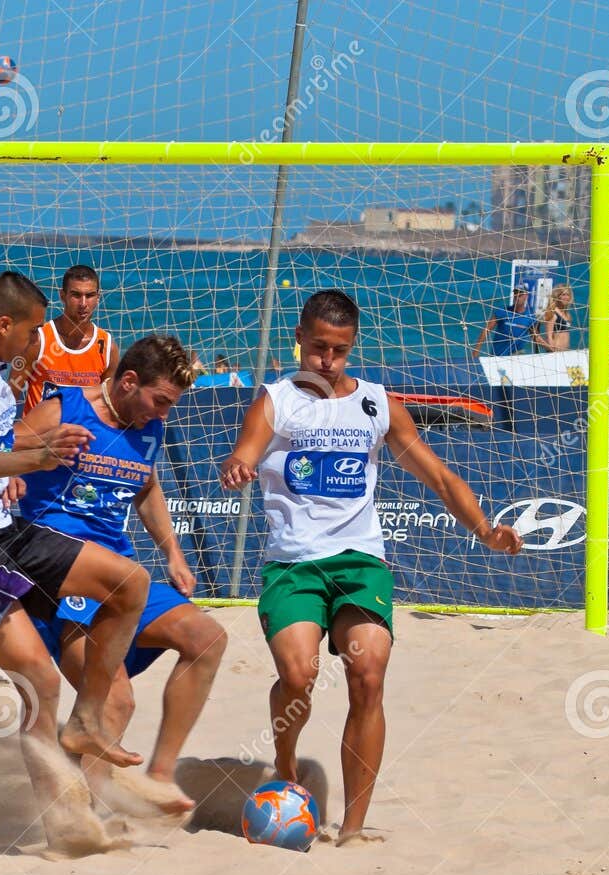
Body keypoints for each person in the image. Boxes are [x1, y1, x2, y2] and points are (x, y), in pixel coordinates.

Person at [220, 290, 524, 844]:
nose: (326, 361)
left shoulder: (378, 404)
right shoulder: (276, 400)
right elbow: (248, 448)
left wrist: (485, 529)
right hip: (294, 563)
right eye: (316, 348)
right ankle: (286, 772)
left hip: (360, 560)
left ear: (352, 346)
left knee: (368, 675)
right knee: (298, 675)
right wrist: (240, 464)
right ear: (300, 339)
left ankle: (353, 828)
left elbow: (439, 477)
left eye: (337, 350)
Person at [0, 271, 162, 854]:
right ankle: (62, 820)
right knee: (40, 681)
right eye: (29, 332)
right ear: (4, 324)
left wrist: (33, 456)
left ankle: (87, 722)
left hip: (3, 533)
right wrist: (37, 456)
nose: (34, 344)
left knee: (130, 584)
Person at [16, 335, 223, 816]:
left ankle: (160, 776)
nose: (164, 414)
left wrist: (172, 550)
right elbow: (2, 448)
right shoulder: (65, 407)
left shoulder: (147, 426)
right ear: (128, 381)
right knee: (116, 701)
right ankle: (79, 812)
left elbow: (146, 484)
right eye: (161, 401)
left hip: (123, 573)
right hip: (63, 571)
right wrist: (32, 454)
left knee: (205, 639)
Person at [20, 264, 118, 413]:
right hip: (41, 434)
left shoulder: (107, 348)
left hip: (85, 435)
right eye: (76, 295)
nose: (83, 304)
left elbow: (108, 405)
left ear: (98, 298)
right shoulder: (38, 340)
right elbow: (10, 393)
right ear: (62, 296)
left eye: (90, 295)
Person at [472, 283, 536, 358]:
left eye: (520, 294)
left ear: (526, 296)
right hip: (497, 356)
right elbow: (486, 330)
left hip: (517, 356)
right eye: (515, 293)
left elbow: (536, 337)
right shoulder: (502, 312)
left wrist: (550, 348)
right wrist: (476, 351)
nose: (517, 296)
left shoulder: (530, 316)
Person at [534, 284, 575, 353]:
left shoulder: (567, 314)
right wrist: (553, 351)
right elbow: (549, 336)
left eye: (568, 295)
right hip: (556, 353)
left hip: (565, 352)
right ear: (557, 296)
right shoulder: (553, 313)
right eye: (563, 295)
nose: (566, 297)